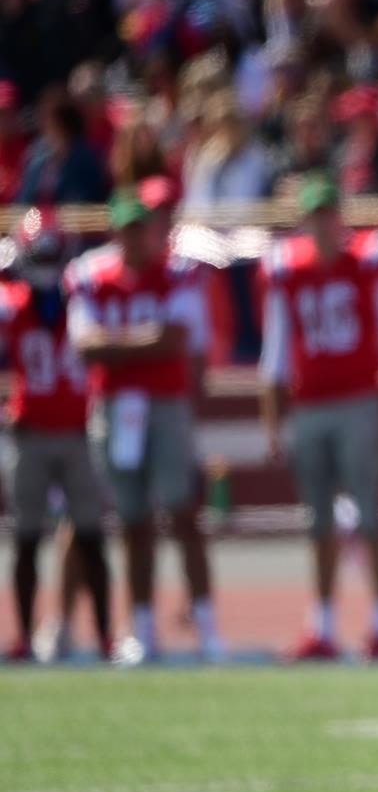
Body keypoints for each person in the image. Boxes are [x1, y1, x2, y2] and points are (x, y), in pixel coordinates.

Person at [258, 174, 378, 662]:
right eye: (315, 215)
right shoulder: (288, 268)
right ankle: (322, 624)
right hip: (310, 405)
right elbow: (276, 351)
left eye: (329, 213)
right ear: (304, 221)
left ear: (339, 216)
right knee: (317, 521)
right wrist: (272, 419)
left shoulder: (368, 263)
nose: (323, 225)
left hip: (360, 400)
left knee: (370, 515)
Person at [66, 182, 221, 664]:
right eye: (127, 230)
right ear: (115, 231)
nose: (136, 239)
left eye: (142, 228)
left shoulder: (177, 273)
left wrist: (117, 344)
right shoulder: (91, 273)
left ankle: (206, 625)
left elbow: (175, 339)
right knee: (132, 523)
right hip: (116, 407)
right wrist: (142, 341)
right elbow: (84, 345)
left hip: (165, 403)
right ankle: (143, 628)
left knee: (183, 514)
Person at [0, 207, 110, 661]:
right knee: (26, 538)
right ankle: (24, 635)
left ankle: (105, 635)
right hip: (31, 432)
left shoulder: (81, 296)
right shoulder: (13, 304)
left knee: (90, 536)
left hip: (75, 429)